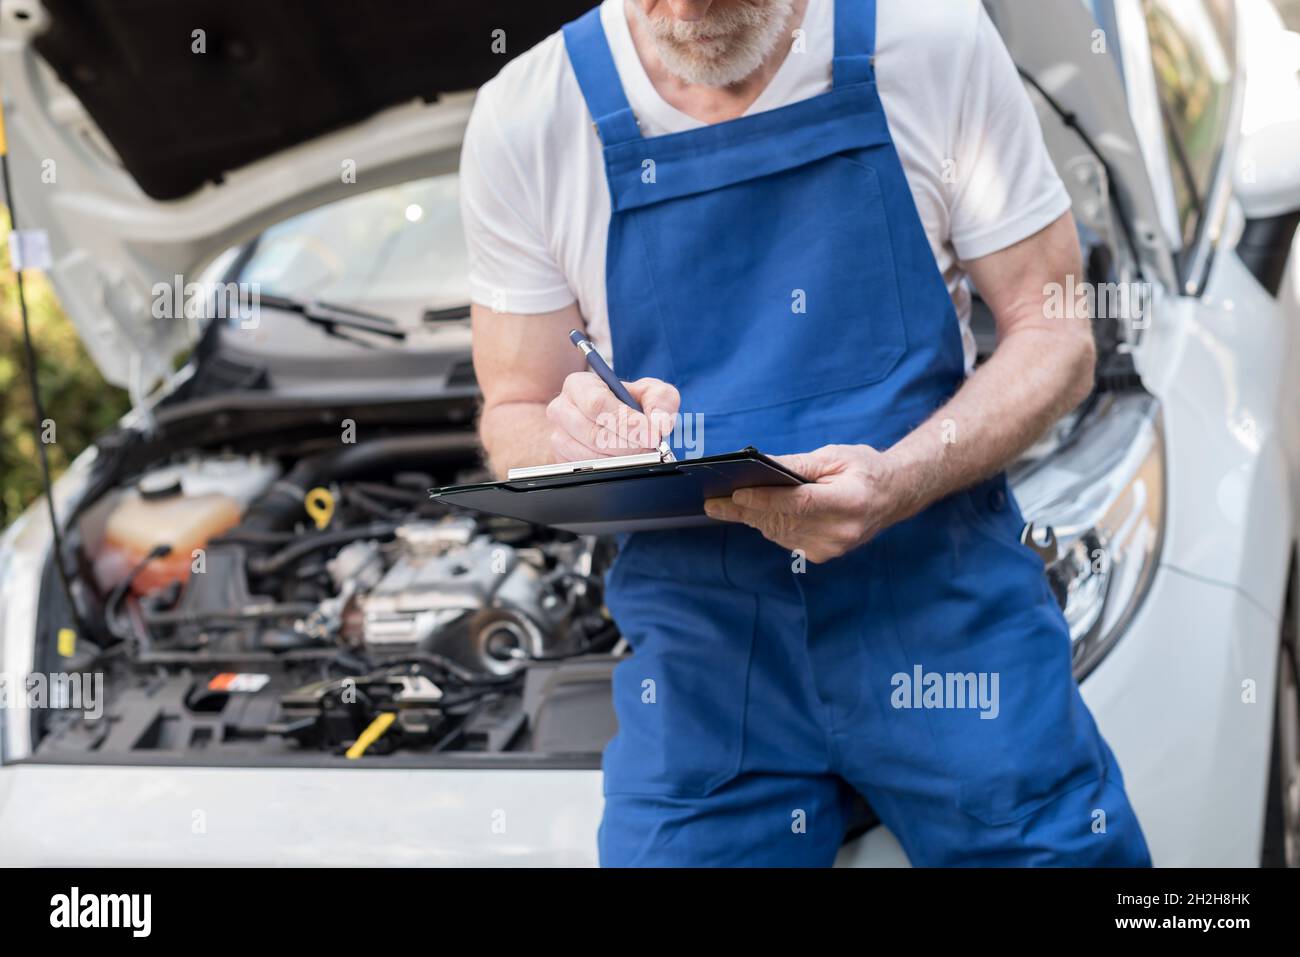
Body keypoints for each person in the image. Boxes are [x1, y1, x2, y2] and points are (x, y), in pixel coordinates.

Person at [461, 0, 1152, 866]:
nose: (683, 12)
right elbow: (516, 409)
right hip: (705, 661)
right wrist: (574, 443)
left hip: (945, 607)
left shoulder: (930, 41)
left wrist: (901, 475)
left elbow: (1056, 337)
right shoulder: (526, 116)